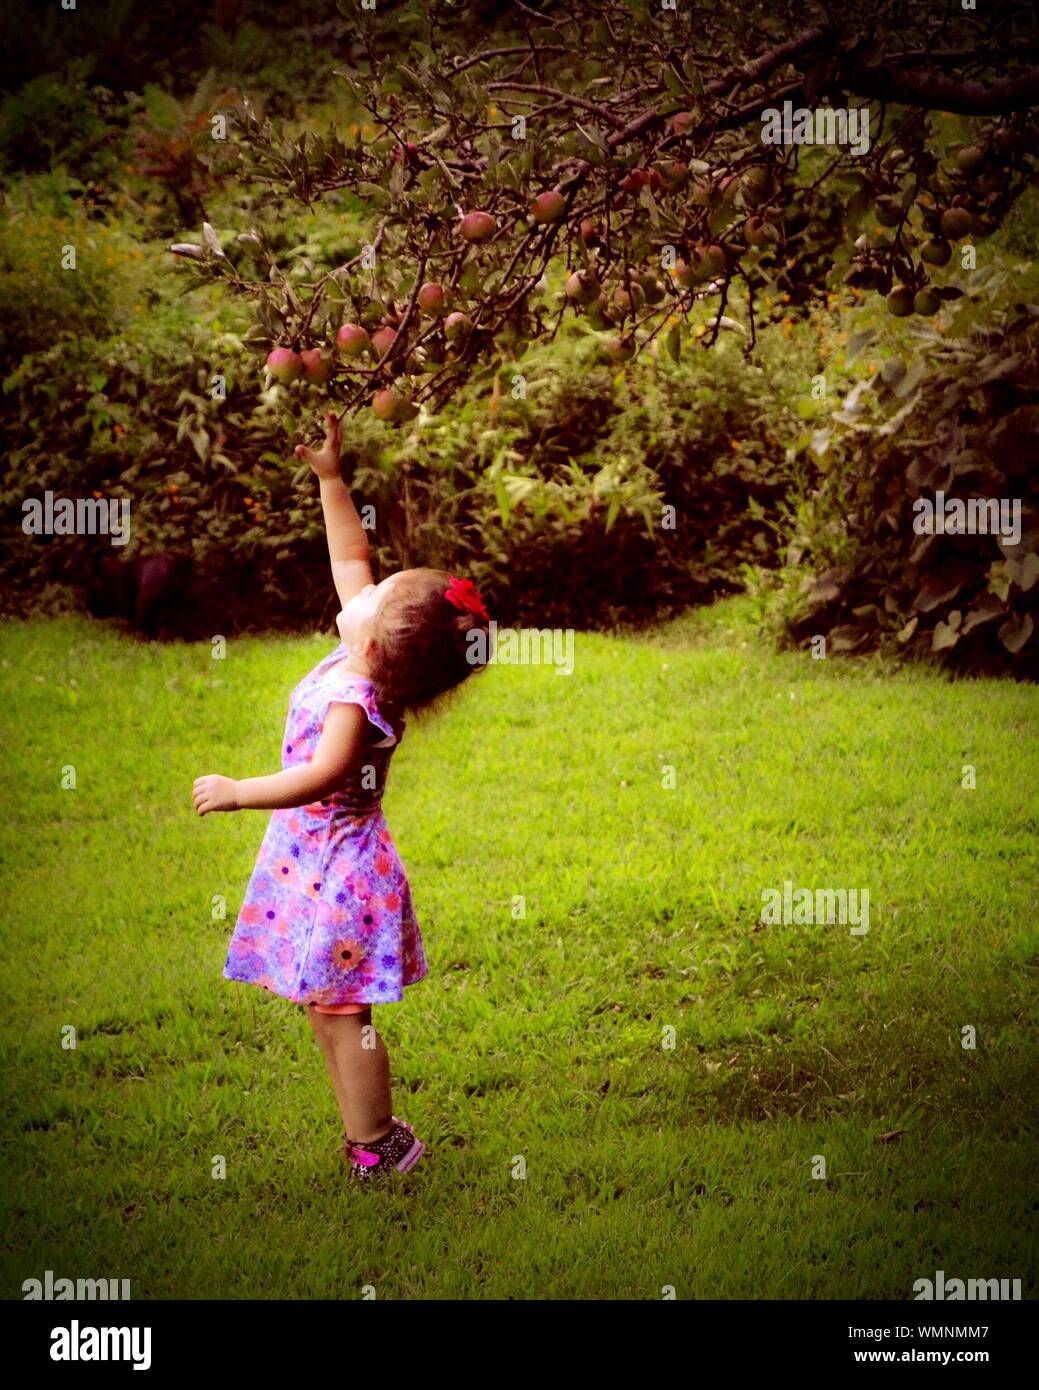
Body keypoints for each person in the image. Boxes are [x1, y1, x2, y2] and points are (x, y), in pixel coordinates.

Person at [192, 411, 493, 1181]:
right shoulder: (362, 656)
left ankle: (382, 1143)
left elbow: (324, 776)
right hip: (313, 863)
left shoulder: (356, 698)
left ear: (372, 643)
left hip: (342, 873)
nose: (367, 582)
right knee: (325, 1008)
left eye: (380, 592)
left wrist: (238, 792)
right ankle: (369, 1133)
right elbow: (350, 557)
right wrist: (330, 479)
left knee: (342, 1012)